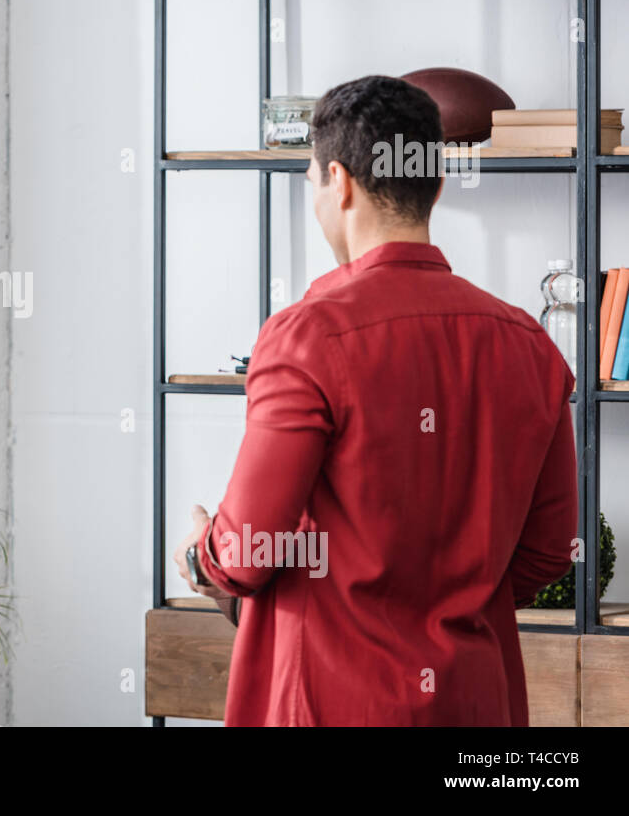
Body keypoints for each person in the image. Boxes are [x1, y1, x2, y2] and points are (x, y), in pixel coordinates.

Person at [172, 74, 577, 726]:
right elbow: (549, 552)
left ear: (339, 182)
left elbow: (246, 550)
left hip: (329, 703)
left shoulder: (305, 335)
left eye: (311, 183)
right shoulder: (530, 344)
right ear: (437, 185)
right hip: (475, 706)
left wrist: (201, 552)